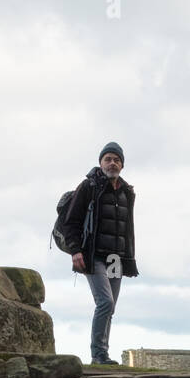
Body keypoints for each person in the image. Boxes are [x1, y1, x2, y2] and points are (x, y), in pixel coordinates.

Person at [61, 143, 139, 365]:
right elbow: (72, 221)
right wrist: (75, 251)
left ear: (122, 165)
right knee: (105, 302)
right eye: (108, 159)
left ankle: (102, 352)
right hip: (93, 255)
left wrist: (129, 257)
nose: (112, 163)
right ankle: (98, 354)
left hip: (117, 258)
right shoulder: (89, 186)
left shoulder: (127, 192)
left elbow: (128, 228)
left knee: (110, 306)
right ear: (100, 162)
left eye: (116, 159)